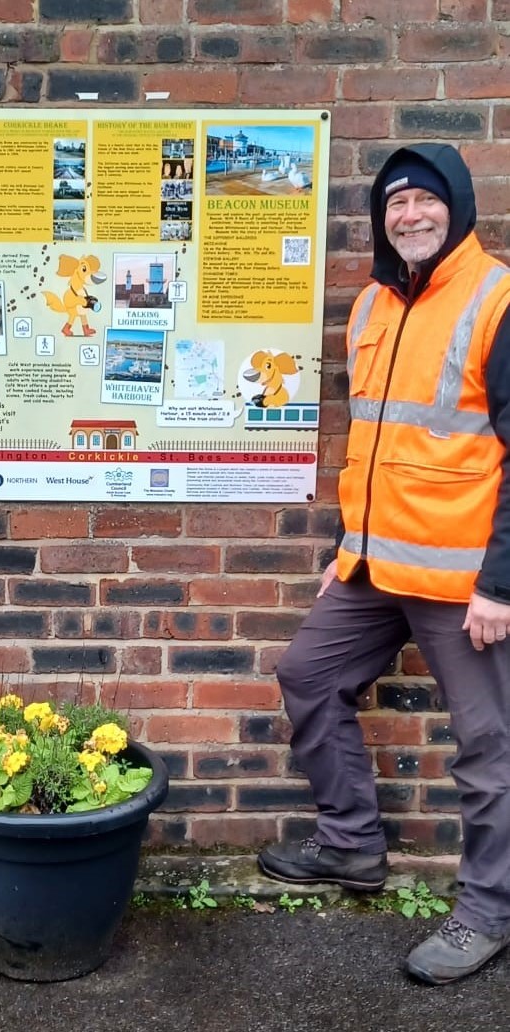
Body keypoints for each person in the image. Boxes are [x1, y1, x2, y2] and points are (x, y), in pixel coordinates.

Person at [256, 144, 510, 986]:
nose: (410, 216)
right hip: (374, 568)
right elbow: (375, 444)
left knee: (488, 746)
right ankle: (351, 846)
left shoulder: (495, 298)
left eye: (425, 202)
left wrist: (500, 584)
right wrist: (347, 549)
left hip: (464, 581)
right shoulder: (372, 305)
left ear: (457, 207)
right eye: (396, 204)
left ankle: (486, 911)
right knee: (306, 674)